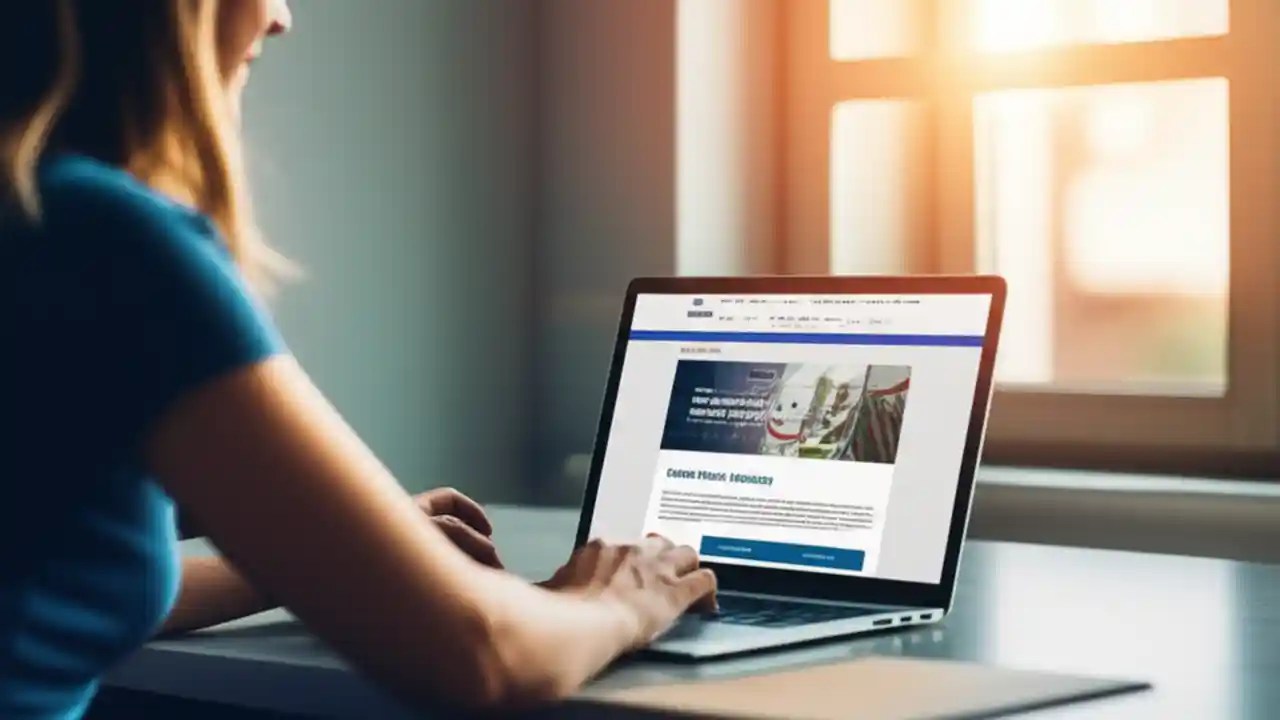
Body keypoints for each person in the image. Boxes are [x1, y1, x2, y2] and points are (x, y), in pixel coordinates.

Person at [0, 2, 717, 717]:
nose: (279, 17)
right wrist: (620, 600)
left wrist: (335, 559)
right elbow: (483, 653)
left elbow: (52, 583)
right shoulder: (102, 242)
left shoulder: (31, 217)